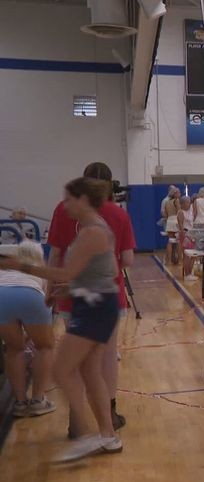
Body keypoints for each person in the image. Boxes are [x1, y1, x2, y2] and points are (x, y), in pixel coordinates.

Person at [4, 177, 122, 461]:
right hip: (93, 302)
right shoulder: (91, 230)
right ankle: (107, 436)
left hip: (96, 307)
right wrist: (69, 289)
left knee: (61, 369)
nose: (65, 204)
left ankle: (83, 433)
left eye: (69, 199)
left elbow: (66, 272)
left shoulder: (93, 231)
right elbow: (107, 269)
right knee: (89, 371)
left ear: (83, 200)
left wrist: (20, 265)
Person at [48, 162, 134, 434]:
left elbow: (54, 253)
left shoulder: (64, 211)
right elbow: (128, 259)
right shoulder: (117, 215)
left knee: (73, 363)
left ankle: (77, 420)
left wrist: (50, 287)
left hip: (70, 296)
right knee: (104, 358)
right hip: (106, 296)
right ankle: (109, 416)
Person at [2, 241, 56, 418]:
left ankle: (20, 402)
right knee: (44, 346)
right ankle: (38, 400)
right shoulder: (39, 268)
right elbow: (48, 298)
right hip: (31, 292)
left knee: (13, 349)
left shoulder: (7, 265)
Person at [177, 196, 197, 282]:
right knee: (187, 255)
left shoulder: (190, 211)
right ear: (183, 204)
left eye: (189, 202)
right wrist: (184, 237)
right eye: (187, 202)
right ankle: (187, 274)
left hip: (192, 233)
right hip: (185, 234)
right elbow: (181, 225)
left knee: (193, 255)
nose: (189, 204)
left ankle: (190, 272)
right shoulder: (181, 212)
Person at [161, 187, 180, 263]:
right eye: (178, 192)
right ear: (175, 194)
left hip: (169, 220)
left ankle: (168, 260)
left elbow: (165, 214)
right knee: (178, 241)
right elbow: (179, 211)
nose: (179, 194)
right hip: (176, 220)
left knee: (170, 241)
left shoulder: (167, 202)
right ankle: (180, 259)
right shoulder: (177, 200)